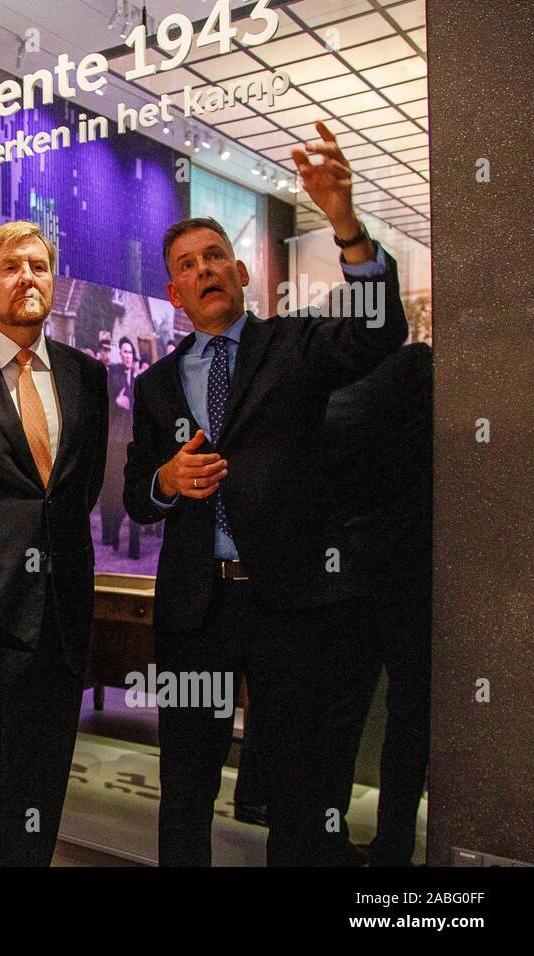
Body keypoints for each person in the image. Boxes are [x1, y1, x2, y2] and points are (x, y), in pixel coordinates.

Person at [122, 120, 407, 866]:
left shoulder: (295, 345)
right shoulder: (152, 387)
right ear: (175, 291)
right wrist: (165, 480)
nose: (206, 268)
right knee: (184, 784)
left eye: (217, 255)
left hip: (289, 604)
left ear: (242, 274)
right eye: (188, 263)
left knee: (302, 786)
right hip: (194, 610)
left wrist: (344, 223)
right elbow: (133, 495)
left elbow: (380, 332)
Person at [0, 220, 108, 866]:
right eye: (11, 267)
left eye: (38, 265)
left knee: (38, 813)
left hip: (60, 629)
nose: (28, 277)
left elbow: (75, 496)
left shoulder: (88, 376)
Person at [322, 341, 433, 866]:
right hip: (414, 570)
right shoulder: (415, 368)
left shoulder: (330, 387)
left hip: (348, 572)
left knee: (341, 717)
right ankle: (393, 849)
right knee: (409, 718)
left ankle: (328, 840)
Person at [102, 337, 140, 559]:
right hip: (115, 442)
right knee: (113, 489)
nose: (128, 355)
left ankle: (120, 534)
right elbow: (104, 402)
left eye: (130, 353)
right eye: (125, 352)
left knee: (128, 488)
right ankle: (110, 533)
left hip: (131, 442)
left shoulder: (135, 379)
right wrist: (115, 403)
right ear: (120, 354)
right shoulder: (113, 375)